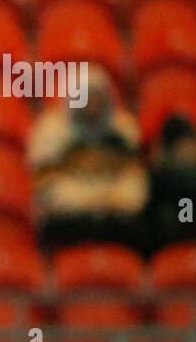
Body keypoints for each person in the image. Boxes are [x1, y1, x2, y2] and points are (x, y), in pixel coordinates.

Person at [27, 68, 147, 253]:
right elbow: (45, 185)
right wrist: (88, 200)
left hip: (116, 217)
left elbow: (135, 180)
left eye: (96, 97)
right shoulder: (50, 131)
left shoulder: (124, 130)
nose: (91, 104)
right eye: (85, 97)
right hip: (69, 220)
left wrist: (115, 200)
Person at [142, 115, 196, 255]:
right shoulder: (156, 180)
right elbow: (150, 227)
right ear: (170, 149)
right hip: (165, 251)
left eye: (190, 144)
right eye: (182, 146)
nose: (189, 150)